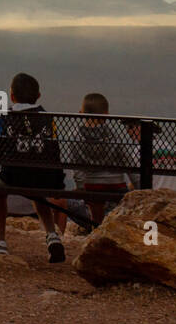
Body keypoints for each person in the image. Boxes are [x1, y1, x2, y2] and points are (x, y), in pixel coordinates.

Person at [0, 72, 66, 262]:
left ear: (12, 96)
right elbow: (55, 151)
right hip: (43, 178)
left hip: (13, 176)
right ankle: (52, 235)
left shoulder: (6, 118)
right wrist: (58, 184)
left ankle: (0, 242)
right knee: (38, 193)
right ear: (38, 96)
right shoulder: (48, 118)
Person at [57, 93, 132, 231]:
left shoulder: (74, 136)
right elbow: (129, 163)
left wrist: (81, 188)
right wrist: (140, 188)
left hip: (92, 189)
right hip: (117, 188)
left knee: (89, 212)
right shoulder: (115, 136)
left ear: (81, 113)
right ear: (107, 114)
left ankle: (95, 229)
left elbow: (77, 169)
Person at [126, 121, 176, 194]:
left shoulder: (139, 151)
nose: (127, 130)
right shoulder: (171, 148)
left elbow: (136, 182)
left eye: (130, 127)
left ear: (141, 128)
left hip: (158, 197)